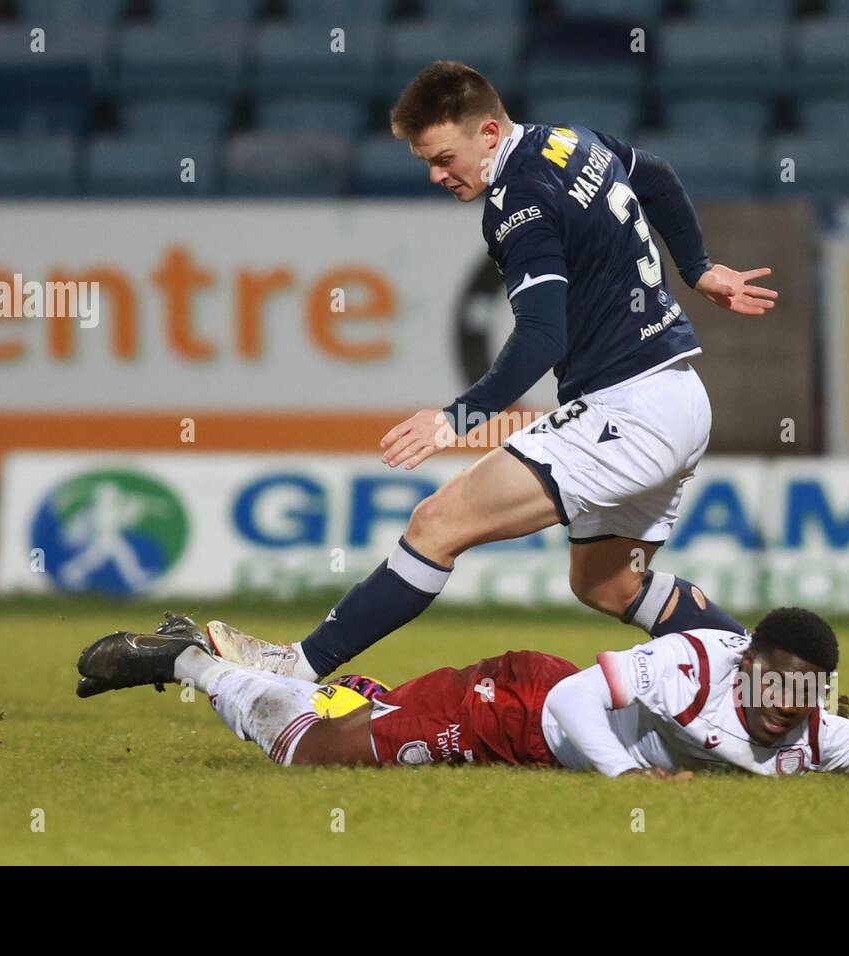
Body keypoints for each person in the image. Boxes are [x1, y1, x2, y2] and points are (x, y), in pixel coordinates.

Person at [249, 60, 778, 683]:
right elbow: (656, 177)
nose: (437, 175)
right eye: (425, 161)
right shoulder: (573, 139)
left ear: (490, 133)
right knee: (608, 583)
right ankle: (781, 684)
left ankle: (296, 668)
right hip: (680, 398)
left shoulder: (517, 201)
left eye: (445, 157)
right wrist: (698, 267)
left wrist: (457, 419)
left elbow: (541, 337)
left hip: (627, 414)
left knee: (436, 524)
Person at [74, 603, 849, 784]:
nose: (777, 702)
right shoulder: (698, 662)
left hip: (531, 725)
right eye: (771, 678)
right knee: (311, 757)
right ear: (749, 660)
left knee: (357, 719)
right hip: (522, 703)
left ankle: (205, 659)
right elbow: (579, 704)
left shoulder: (812, 734)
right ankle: (188, 663)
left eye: (800, 693)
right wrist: (632, 776)